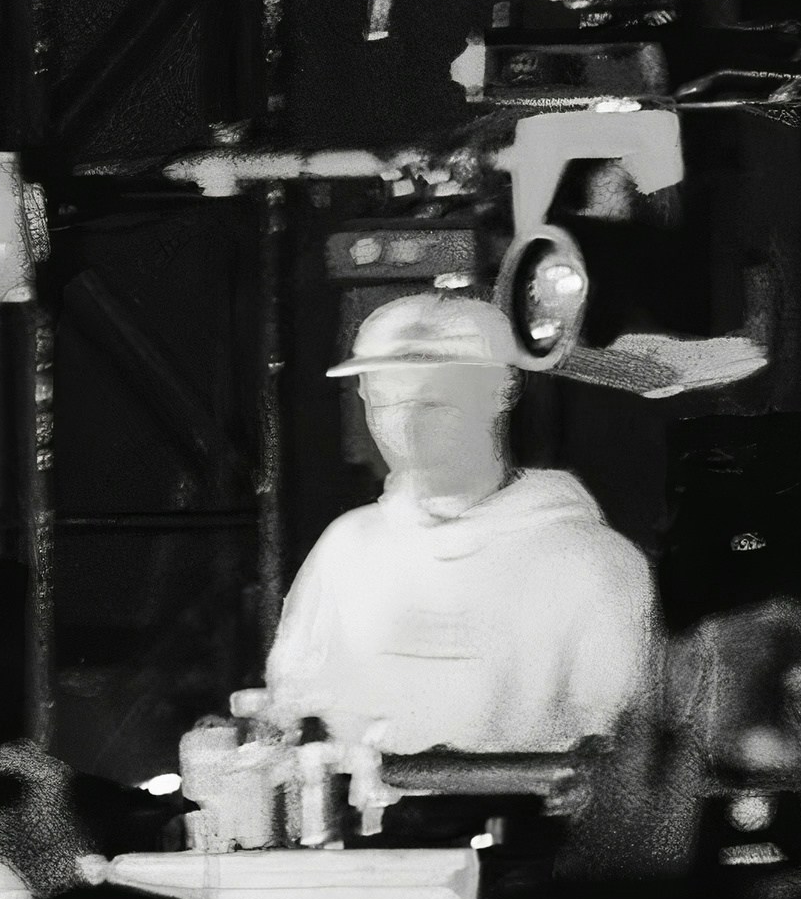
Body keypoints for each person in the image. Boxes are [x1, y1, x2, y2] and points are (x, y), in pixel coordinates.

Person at [263, 289, 655, 754]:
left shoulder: (591, 565)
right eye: (386, 404)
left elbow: (620, 757)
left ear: (501, 391)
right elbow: (291, 707)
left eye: (434, 405)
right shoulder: (349, 547)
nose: (405, 429)